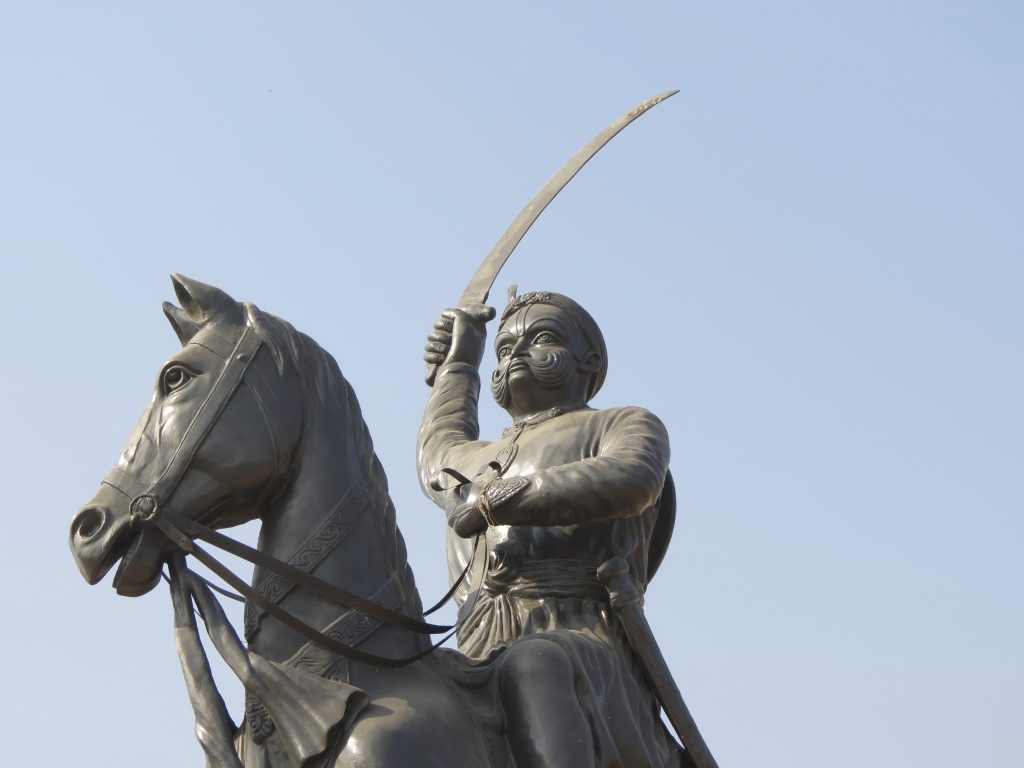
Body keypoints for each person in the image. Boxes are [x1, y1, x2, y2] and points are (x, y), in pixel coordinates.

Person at [417, 288, 685, 768]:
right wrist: (458, 365)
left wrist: (501, 499)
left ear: (589, 360)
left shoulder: (620, 423)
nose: (517, 352)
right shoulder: (474, 460)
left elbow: (633, 478)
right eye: (504, 349)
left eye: (541, 338)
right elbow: (436, 455)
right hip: (481, 634)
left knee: (532, 663)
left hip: (581, 633)